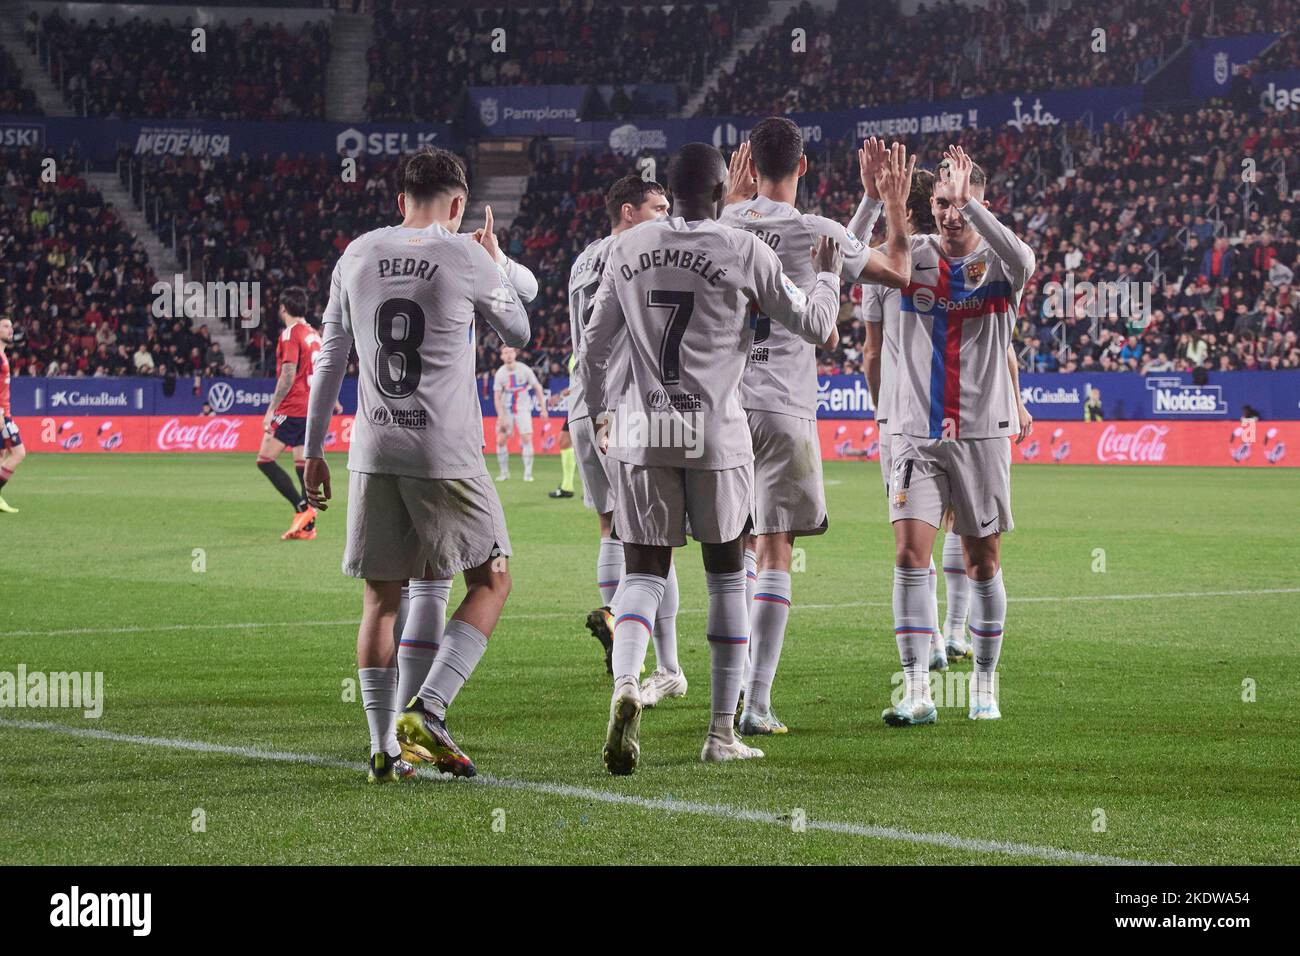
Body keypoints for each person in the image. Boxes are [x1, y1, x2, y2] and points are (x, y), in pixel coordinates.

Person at [578, 142, 844, 774]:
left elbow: (592, 346)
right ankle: (721, 732)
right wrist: (828, 277)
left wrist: (600, 415)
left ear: (667, 188)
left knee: (642, 573)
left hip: (645, 429)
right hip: (716, 433)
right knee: (727, 575)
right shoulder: (742, 247)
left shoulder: (628, 247)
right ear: (724, 191)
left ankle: (628, 681)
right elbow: (809, 324)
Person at [302, 147, 530, 783]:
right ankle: (429, 706)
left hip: (373, 450)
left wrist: (312, 449)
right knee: (492, 579)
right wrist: (494, 263)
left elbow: (329, 361)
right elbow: (518, 330)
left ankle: (382, 749)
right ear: (458, 205)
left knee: (381, 599)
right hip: (445, 452)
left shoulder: (358, 252)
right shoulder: (463, 254)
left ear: (401, 200)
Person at [717, 124, 913, 735]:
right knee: (777, 549)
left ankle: (719, 699)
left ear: (747, 164)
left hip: (721, 406)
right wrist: (892, 205)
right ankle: (757, 703)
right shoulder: (816, 230)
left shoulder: (720, 228)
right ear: (804, 163)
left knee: (736, 549)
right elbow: (894, 270)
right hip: (783, 407)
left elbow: (821, 257)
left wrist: (732, 203)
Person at [881, 145, 1034, 726]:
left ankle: (985, 683)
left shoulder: (1001, 265)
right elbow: (843, 260)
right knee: (907, 556)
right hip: (917, 437)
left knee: (982, 565)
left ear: (979, 202)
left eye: (960, 202)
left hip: (981, 435)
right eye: (942, 202)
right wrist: (882, 203)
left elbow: (1024, 258)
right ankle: (917, 691)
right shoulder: (910, 257)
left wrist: (974, 205)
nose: (949, 213)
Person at [564, 174, 680, 685]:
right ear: (628, 211)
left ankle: (615, 617)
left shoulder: (581, 260)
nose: (666, 215)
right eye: (658, 207)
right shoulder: (640, 256)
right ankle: (665, 661)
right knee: (655, 535)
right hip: (629, 405)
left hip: (585, 405)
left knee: (611, 527)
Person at [256, 287, 338, 541]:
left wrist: (272, 409)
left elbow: (288, 374)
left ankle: (302, 509)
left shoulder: (291, 334)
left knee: (265, 460)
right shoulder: (314, 334)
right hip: (312, 408)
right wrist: (330, 400)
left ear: (282, 308)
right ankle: (308, 527)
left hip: (293, 407)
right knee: (302, 463)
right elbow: (326, 369)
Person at [493, 346, 547, 482]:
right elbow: (497, 397)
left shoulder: (524, 369)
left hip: (523, 409)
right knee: (500, 441)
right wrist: (501, 416)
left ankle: (528, 474)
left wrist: (543, 408)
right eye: (505, 353)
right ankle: (504, 473)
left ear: (515, 354)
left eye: (511, 352)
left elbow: (537, 387)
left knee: (527, 439)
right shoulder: (500, 374)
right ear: (502, 357)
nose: (509, 355)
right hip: (506, 410)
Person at [0, 318, 25, 515]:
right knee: (18, 453)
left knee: (2, 456)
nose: (11, 330)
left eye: (11, 327)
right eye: (5, 326)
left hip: (4, 412)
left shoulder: (3, 355)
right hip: (1, 413)